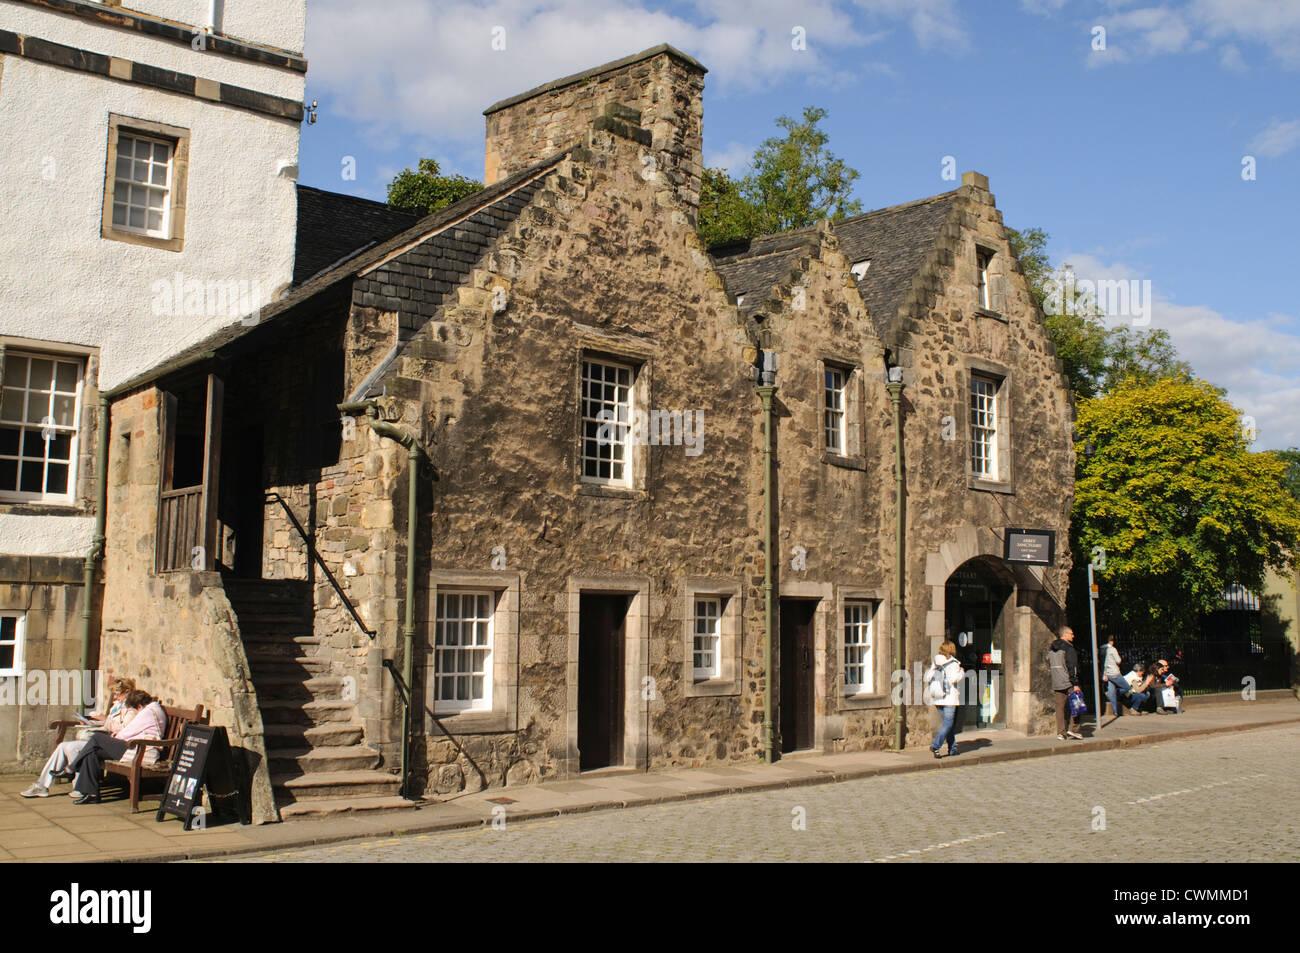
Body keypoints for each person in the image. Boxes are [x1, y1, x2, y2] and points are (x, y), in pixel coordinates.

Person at [20, 675, 137, 798]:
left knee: (73, 748)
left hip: (114, 744)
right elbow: (111, 723)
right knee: (63, 746)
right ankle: (42, 785)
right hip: (104, 739)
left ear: (127, 692)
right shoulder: (118, 706)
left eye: (118, 694)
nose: (115, 697)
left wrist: (105, 719)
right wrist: (92, 723)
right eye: (114, 694)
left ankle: (79, 786)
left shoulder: (132, 708)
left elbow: (126, 729)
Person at [66, 690, 166, 804]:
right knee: (93, 752)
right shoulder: (152, 709)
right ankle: (91, 793)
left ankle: (72, 767)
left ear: (139, 706)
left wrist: (117, 736)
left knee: (97, 737)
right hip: (136, 747)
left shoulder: (148, 712)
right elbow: (138, 730)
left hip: (142, 752)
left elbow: (131, 729)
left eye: (137, 710)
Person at [926, 640, 965, 759]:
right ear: (952, 649)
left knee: (949, 725)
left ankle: (952, 749)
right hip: (949, 698)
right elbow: (954, 679)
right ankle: (936, 745)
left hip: (938, 698)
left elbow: (928, 677)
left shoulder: (936, 662)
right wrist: (961, 673)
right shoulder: (953, 663)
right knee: (948, 724)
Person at [1047, 625, 1084, 740]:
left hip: (1057, 681)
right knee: (1077, 703)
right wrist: (1075, 683)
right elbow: (1072, 667)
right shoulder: (1069, 648)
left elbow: (1049, 663)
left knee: (1059, 707)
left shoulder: (1052, 648)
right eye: (1071, 634)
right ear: (1065, 634)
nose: (1073, 636)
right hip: (1068, 681)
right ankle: (1074, 729)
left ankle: (1061, 732)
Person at [1101, 635, 1129, 717]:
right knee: (1127, 688)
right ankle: (1111, 694)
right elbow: (1118, 660)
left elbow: (1104, 663)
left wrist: (1104, 674)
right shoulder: (1112, 649)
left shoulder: (1101, 649)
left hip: (1107, 673)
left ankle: (1115, 711)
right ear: (1112, 641)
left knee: (1112, 692)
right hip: (1114, 672)